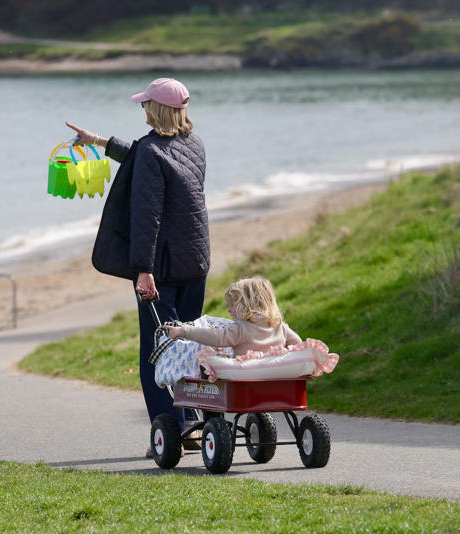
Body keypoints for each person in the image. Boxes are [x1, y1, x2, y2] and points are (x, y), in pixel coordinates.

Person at [66, 78, 209, 455]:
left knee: (157, 350)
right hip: (195, 263)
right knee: (189, 345)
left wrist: (143, 269)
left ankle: (169, 432)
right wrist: (97, 141)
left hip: (160, 270)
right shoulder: (192, 145)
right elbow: (146, 157)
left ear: (156, 110)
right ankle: (191, 425)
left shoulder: (151, 152)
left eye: (145, 104)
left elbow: (147, 215)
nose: (142, 109)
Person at [164, 277, 302, 358]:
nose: (229, 310)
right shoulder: (278, 325)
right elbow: (297, 343)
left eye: (232, 305)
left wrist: (183, 331)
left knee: (209, 361)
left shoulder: (241, 328)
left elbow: (215, 337)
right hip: (276, 377)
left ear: (246, 305)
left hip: (247, 379)